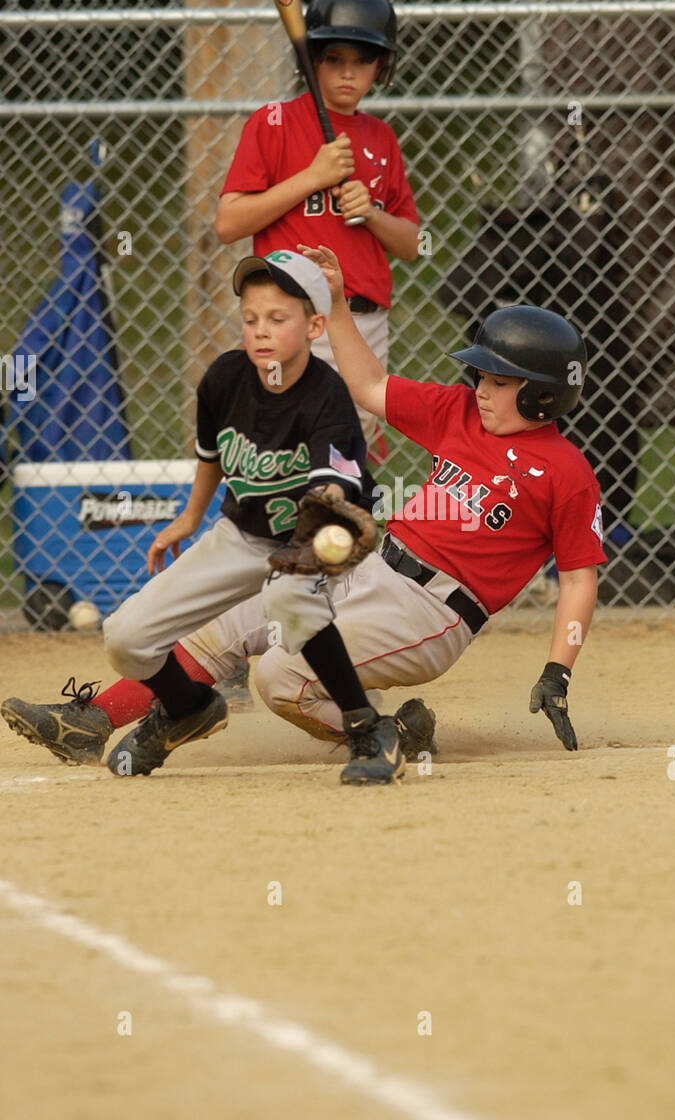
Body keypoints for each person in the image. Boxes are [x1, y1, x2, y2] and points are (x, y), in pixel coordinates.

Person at [4, 248, 607, 782]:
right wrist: (339, 304)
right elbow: (370, 385)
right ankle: (94, 721)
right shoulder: (459, 412)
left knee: (279, 676)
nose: (479, 387)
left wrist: (558, 672)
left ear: (542, 395)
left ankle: (383, 731)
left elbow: (579, 577)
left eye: (499, 380)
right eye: (479, 373)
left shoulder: (565, 472)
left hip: (433, 611)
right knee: (223, 622)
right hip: (368, 567)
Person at [1, 249, 428, 784]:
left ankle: (369, 727)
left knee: (287, 597)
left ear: (314, 324)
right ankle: (187, 707)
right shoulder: (226, 378)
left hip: (318, 536)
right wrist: (189, 516)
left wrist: (310, 552)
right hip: (241, 536)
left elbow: (331, 492)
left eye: (277, 318)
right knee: (126, 636)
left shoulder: (327, 398)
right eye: (250, 319)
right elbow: (210, 455)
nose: (260, 331)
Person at [214, 0, 420, 450]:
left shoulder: (380, 138)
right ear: (312, 62)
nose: (348, 73)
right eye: (334, 59)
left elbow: (409, 244)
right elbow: (229, 223)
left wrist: (369, 213)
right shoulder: (274, 123)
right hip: (293, 315)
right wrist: (312, 177)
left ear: (381, 66)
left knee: (348, 459)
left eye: (362, 61)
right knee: (288, 451)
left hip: (363, 321)